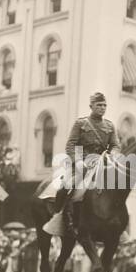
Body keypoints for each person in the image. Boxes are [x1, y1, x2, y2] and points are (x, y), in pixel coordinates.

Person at [52, 91, 120, 234]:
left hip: (102, 164)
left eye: (104, 105)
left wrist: (113, 154)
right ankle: (59, 217)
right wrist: (77, 161)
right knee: (66, 186)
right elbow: (71, 144)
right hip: (82, 164)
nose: (102, 108)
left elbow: (115, 145)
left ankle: (117, 224)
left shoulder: (110, 126)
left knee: (117, 189)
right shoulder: (81, 123)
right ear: (91, 106)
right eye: (99, 105)